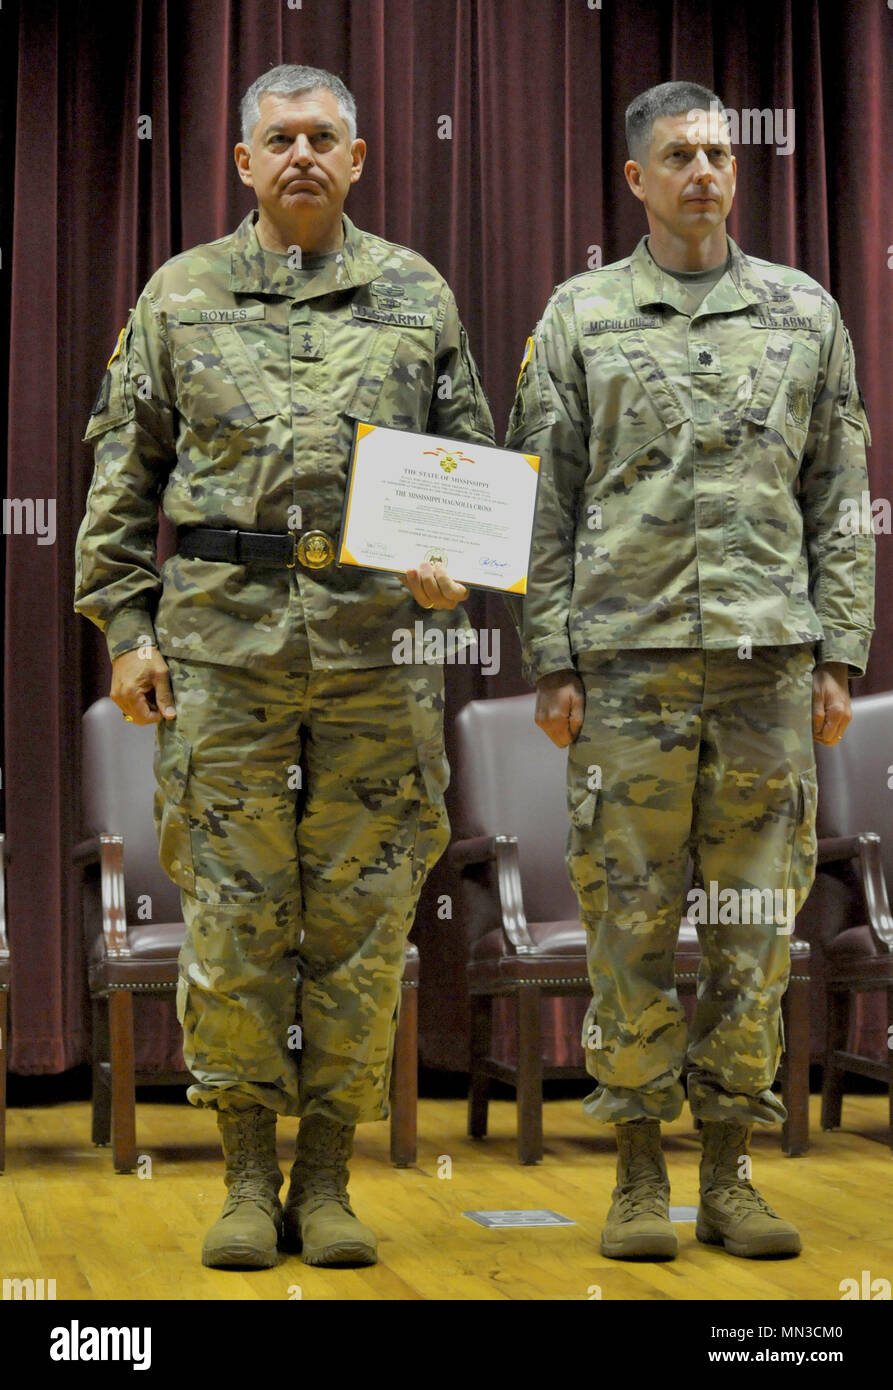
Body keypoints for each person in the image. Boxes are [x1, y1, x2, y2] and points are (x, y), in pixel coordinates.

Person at [75, 63, 494, 1270]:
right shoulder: (180, 295)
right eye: (280, 138)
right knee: (236, 910)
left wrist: (454, 563)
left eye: (322, 137)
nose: (301, 153)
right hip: (222, 649)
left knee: (362, 916)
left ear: (357, 159)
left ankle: (326, 1178)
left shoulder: (414, 293)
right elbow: (122, 476)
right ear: (243, 161)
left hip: (374, 651)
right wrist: (127, 630)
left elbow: (469, 459)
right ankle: (248, 1178)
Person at [506, 81, 874, 1261]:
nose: (703, 172)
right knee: (626, 920)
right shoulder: (579, 315)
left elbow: (838, 493)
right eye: (678, 155)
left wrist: (839, 651)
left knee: (754, 927)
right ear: (636, 179)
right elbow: (543, 497)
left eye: (717, 152)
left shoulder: (802, 312)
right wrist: (550, 657)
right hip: (626, 670)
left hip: (769, 671)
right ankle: (632, 1171)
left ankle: (727, 1172)